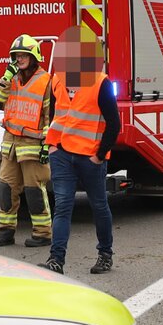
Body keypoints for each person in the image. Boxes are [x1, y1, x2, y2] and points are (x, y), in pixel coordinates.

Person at [43, 32, 118, 275]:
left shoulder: (101, 82)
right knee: (63, 205)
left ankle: (105, 254)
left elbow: (114, 124)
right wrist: (52, 147)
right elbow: (55, 116)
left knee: (99, 205)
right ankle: (56, 260)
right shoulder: (57, 80)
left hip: (90, 158)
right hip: (62, 154)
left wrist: (99, 155)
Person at [0, 33, 55, 247]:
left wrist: (48, 144)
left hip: (33, 146)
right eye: (16, 55)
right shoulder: (13, 79)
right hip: (10, 146)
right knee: (6, 190)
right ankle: (6, 232)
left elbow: (51, 115)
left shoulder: (46, 81)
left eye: (23, 54)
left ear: (34, 56)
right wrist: (5, 78)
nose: (19, 59)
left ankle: (43, 233)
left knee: (34, 192)